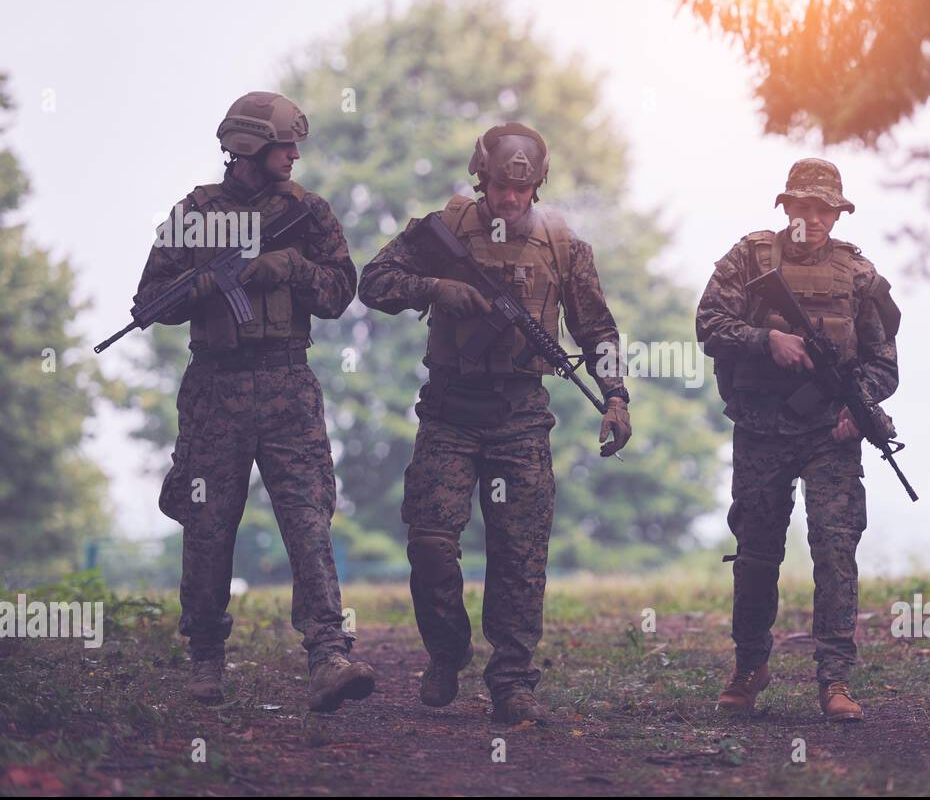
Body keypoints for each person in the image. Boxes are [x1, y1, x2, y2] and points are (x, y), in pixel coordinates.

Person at [358, 122, 631, 724]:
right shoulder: (445, 230)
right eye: (501, 190)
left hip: (521, 414)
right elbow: (372, 282)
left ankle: (512, 680)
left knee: (520, 555)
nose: (511, 201)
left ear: (538, 185)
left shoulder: (562, 242)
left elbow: (597, 329)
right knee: (430, 541)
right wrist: (437, 288)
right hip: (450, 409)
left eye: (523, 190)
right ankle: (446, 652)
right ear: (480, 179)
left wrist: (615, 396)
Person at [135, 91, 375, 711]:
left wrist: (290, 267)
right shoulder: (194, 214)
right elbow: (149, 303)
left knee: (307, 519)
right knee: (209, 525)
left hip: (287, 384)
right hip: (215, 388)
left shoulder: (308, 213)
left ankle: (328, 653)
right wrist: (207, 287)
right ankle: (206, 660)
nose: (294, 155)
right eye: (283, 146)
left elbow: (340, 291)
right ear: (249, 148)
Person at [696, 158, 901, 722]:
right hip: (761, 428)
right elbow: (709, 325)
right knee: (757, 552)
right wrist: (767, 341)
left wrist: (856, 410)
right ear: (785, 208)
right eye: (801, 206)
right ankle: (748, 666)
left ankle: (835, 679)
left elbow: (885, 365)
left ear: (837, 213)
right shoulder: (750, 257)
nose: (811, 218)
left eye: (822, 208)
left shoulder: (858, 275)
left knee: (835, 553)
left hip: (828, 435)